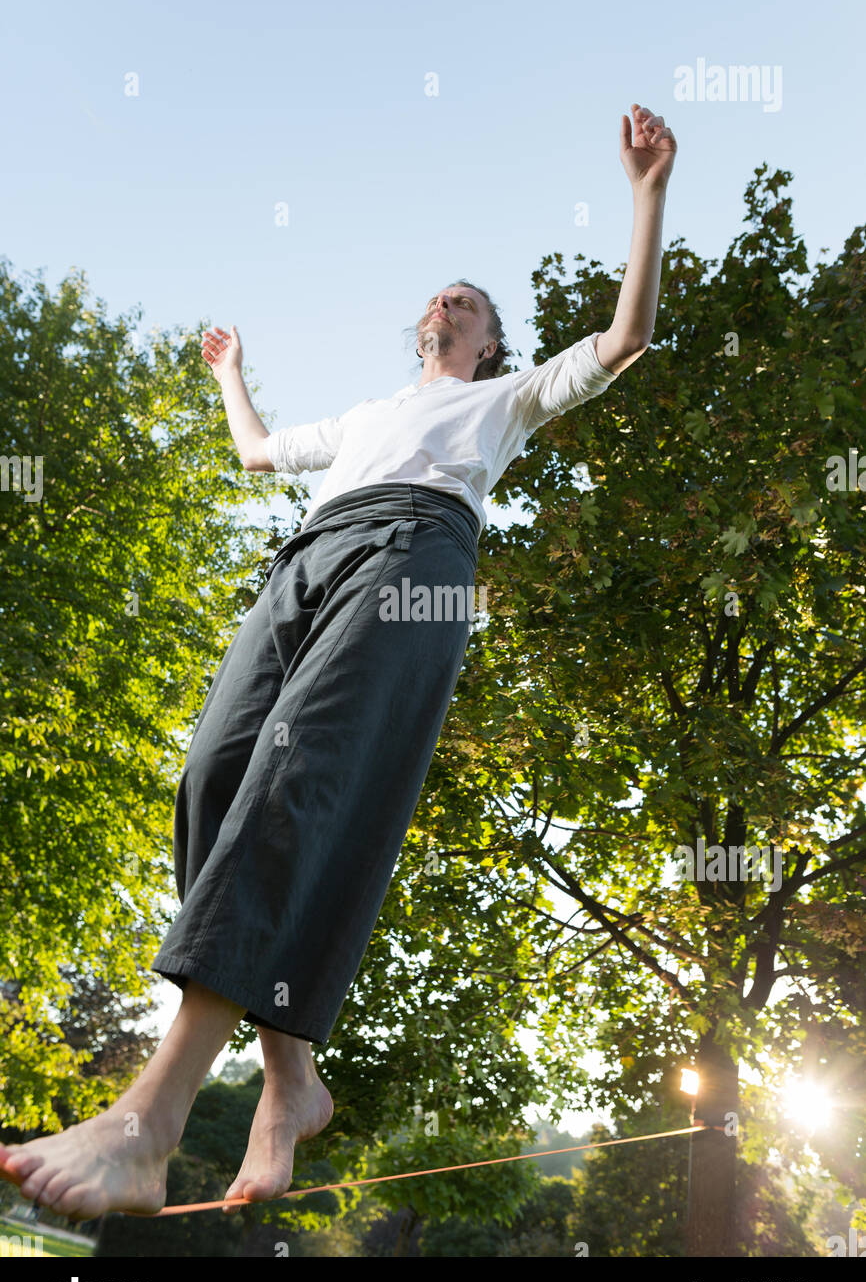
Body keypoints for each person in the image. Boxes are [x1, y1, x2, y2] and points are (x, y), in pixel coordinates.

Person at [0, 104, 676, 1220]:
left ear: (490, 339)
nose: (443, 301)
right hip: (307, 556)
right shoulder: (370, 411)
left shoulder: (500, 400)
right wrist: (232, 372)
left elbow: (623, 340)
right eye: (435, 294)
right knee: (215, 772)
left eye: (465, 297)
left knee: (300, 769)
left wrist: (645, 193)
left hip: (418, 553)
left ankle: (150, 1117)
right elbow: (260, 452)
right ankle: (288, 1075)